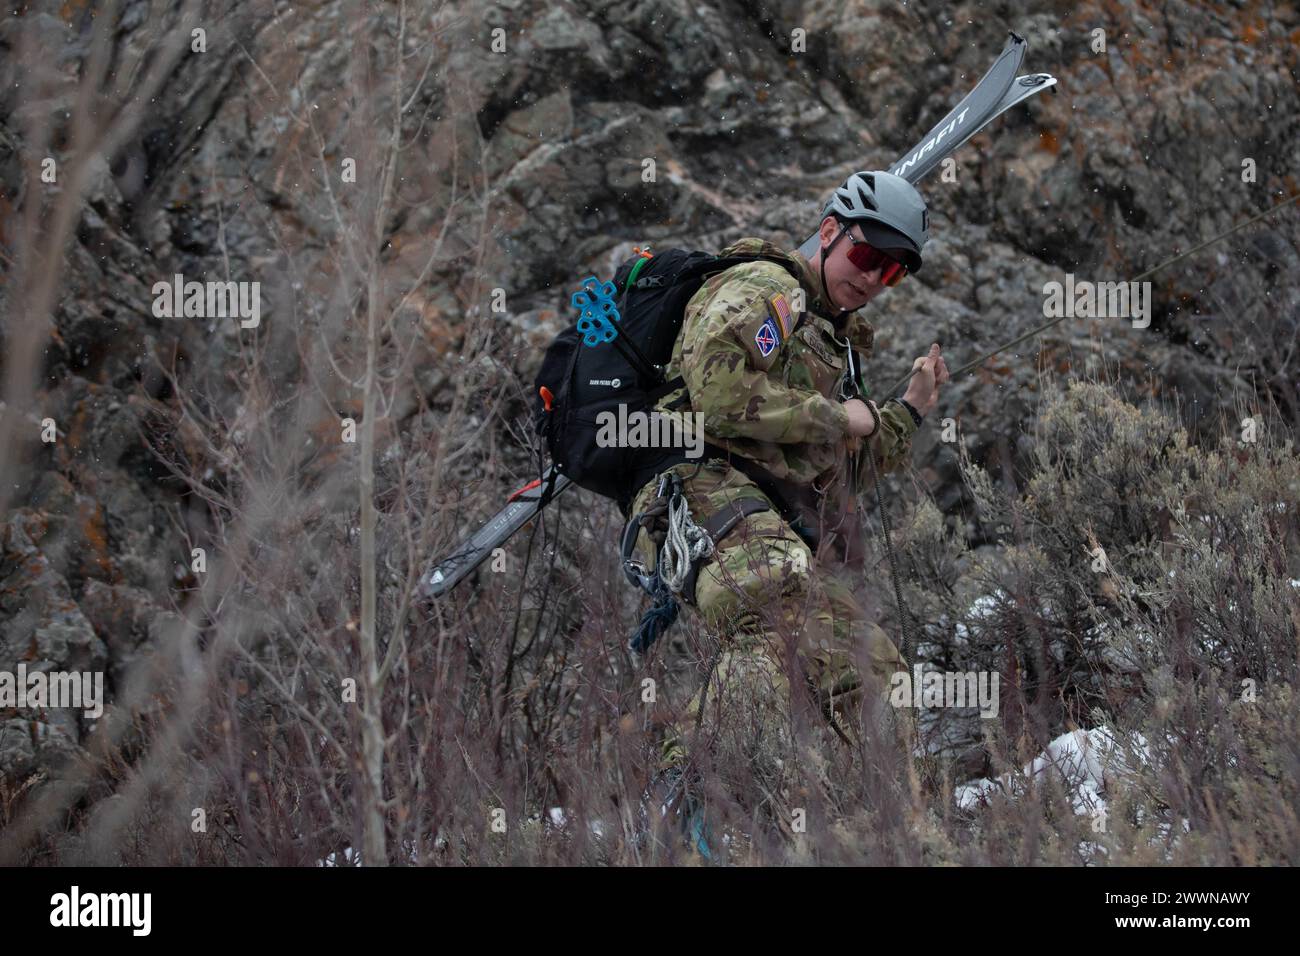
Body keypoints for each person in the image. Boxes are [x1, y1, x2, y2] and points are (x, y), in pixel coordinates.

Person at [627, 171, 950, 850]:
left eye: (890, 272)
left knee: (877, 677)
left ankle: (873, 836)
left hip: (758, 508)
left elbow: (835, 464)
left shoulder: (833, 343)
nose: (871, 279)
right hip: (695, 482)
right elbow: (716, 394)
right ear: (829, 232)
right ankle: (680, 801)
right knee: (773, 597)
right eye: (866, 257)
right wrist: (837, 414)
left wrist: (909, 411)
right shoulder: (765, 291)